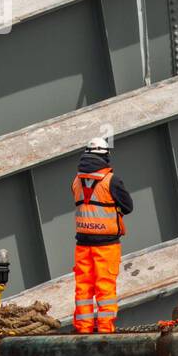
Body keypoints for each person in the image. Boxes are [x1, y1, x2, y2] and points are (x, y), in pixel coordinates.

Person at [71, 137, 133, 333]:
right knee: (105, 287)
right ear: (106, 156)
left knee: (83, 287)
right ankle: (106, 329)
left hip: (82, 244)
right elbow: (128, 206)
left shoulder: (76, 180)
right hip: (106, 245)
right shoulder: (111, 180)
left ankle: (84, 327)